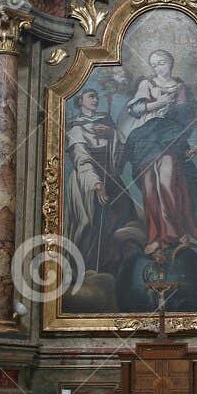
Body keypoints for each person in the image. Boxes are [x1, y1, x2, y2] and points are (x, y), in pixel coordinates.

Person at [119, 50, 197, 257]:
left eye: (161, 63)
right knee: (149, 186)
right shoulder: (148, 84)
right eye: (154, 64)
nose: (158, 68)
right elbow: (135, 109)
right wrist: (159, 103)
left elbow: (188, 115)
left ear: (170, 63)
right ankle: (155, 236)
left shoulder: (180, 87)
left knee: (167, 183)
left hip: (169, 137)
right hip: (146, 138)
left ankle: (176, 232)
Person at [65, 89, 135, 275]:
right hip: (88, 178)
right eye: (90, 96)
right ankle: (92, 267)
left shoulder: (105, 121)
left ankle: (119, 263)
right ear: (80, 101)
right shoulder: (75, 127)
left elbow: (121, 151)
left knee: (125, 209)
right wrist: (95, 183)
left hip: (110, 175)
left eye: (96, 96)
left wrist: (112, 134)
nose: (95, 99)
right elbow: (81, 158)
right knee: (98, 220)